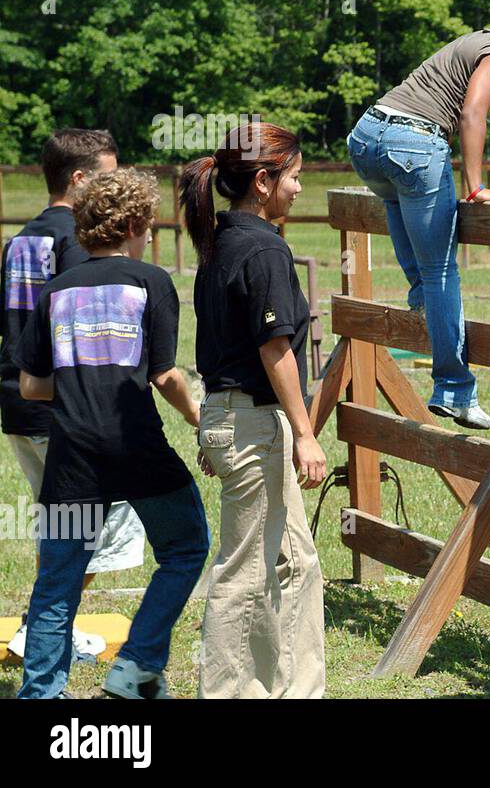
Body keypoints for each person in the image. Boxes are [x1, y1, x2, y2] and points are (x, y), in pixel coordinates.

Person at [14, 168, 209, 699]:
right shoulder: (152, 282)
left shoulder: (54, 292)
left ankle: (39, 696)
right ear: (136, 224)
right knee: (187, 547)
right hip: (136, 445)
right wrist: (196, 418)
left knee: (56, 584)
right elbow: (164, 375)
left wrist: (80, 383)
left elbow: (31, 386)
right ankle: (137, 665)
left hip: (72, 455)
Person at [347, 0, 490, 430]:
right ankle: (453, 391)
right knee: (441, 271)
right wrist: (475, 186)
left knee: (400, 207)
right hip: (412, 141)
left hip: (366, 137)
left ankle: (422, 300)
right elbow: (474, 114)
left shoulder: (479, 39)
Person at [180, 122, 326, 699]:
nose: (299, 189)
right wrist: (306, 433)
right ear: (262, 182)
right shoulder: (262, 247)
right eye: (293, 178)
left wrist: (216, 425)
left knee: (294, 565)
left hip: (234, 420)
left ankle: (290, 690)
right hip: (255, 426)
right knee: (247, 575)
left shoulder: (220, 243)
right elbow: (274, 350)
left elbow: (220, 345)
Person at [1, 129, 142, 663]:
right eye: (107, 174)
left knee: (63, 523)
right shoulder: (75, 243)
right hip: (62, 406)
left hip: (18, 400)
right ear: (80, 179)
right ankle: (42, 629)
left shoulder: (18, 239)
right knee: (84, 528)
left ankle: (45, 627)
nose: (115, 185)